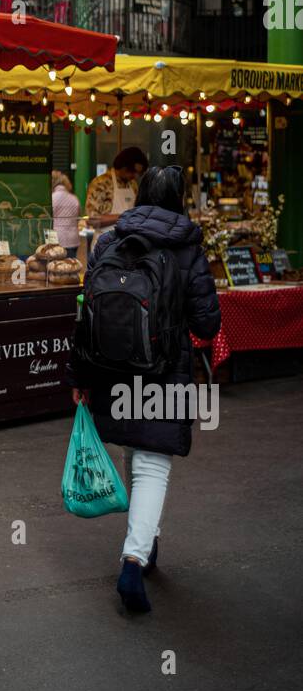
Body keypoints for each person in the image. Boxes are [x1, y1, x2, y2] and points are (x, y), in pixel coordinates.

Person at [69, 165, 221, 614]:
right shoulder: (188, 248)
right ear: (178, 199)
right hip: (163, 372)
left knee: (136, 452)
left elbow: (85, 313)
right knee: (153, 465)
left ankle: (146, 543)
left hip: (109, 369)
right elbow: (207, 324)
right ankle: (134, 560)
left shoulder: (110, 240)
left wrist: (78, 377)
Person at [85, 146, 148, 226]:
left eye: (139, 173)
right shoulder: (100, 183)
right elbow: (92, 220)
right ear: (123, 166)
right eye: (133, 171)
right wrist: (124, 216)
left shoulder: (133, 185)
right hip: (105, 236)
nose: (135, 176)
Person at [51, 170, 81, 258]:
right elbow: (78, 217)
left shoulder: (51, 198)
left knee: (55, 268)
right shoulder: (74, 198)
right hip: (73, 238)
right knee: (71, 267)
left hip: (55, 238)